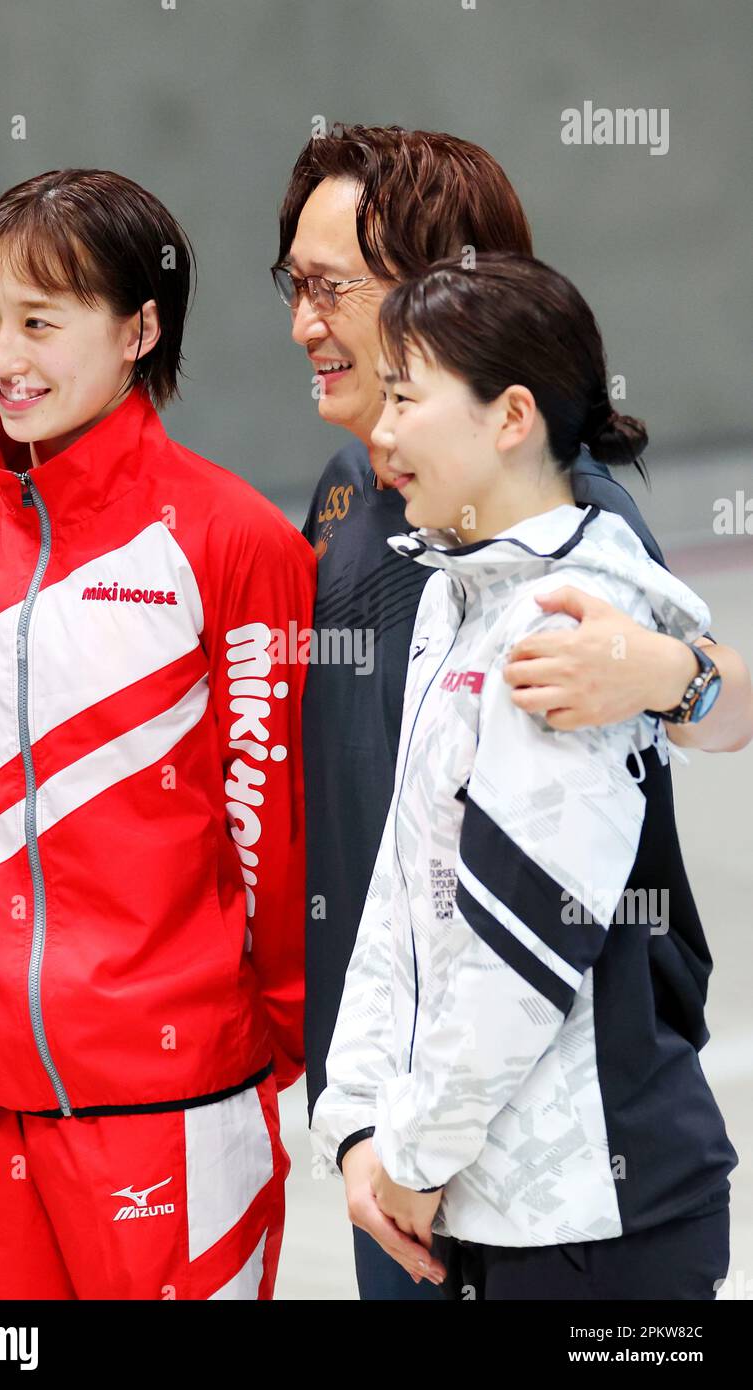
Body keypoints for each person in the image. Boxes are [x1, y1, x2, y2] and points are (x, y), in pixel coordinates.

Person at [272, 124, 753, 1298]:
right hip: (390, 1117)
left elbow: (718, 704)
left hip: (538, 1141)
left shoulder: (552, 526)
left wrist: (665, 673)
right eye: (293, 284)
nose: (302, 324)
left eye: (333, 288)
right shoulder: (354, 496)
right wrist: (355, 1115)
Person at [0, 168, 316, 1300]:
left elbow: (270, 832)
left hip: (167, 1104)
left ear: (139, 329)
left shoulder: (233, 540)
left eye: (41, 320)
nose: (3, 355)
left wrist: (270, 1042)